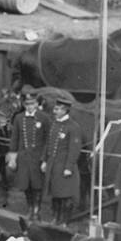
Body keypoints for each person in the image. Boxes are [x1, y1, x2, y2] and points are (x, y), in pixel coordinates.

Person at [41, 88, 84, 225]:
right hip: (53, 166)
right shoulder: (54, 124)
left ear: (65, 110)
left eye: (58, 109)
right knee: (55, 194)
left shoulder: (73, 127)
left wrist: (69, 167)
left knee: (65, 196)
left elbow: (74, 149)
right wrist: (44, 160)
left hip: (64, 167)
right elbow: (48, 144)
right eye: (55, 109)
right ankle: (56, 217)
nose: (55, 112)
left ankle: (64, 221)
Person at [7, 86, 50, 221]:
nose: (29, 107)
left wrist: (45, 159)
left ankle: (37, 209)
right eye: (27, 104)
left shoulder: (44, 118)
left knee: (37, 185)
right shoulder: (19, 118)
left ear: (37, 104)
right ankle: (30, 207)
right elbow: (15, 138)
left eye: (32, 104)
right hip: (24, 157)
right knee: (26, 185)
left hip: (37, 158)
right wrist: (13, 158)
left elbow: (48, 139)